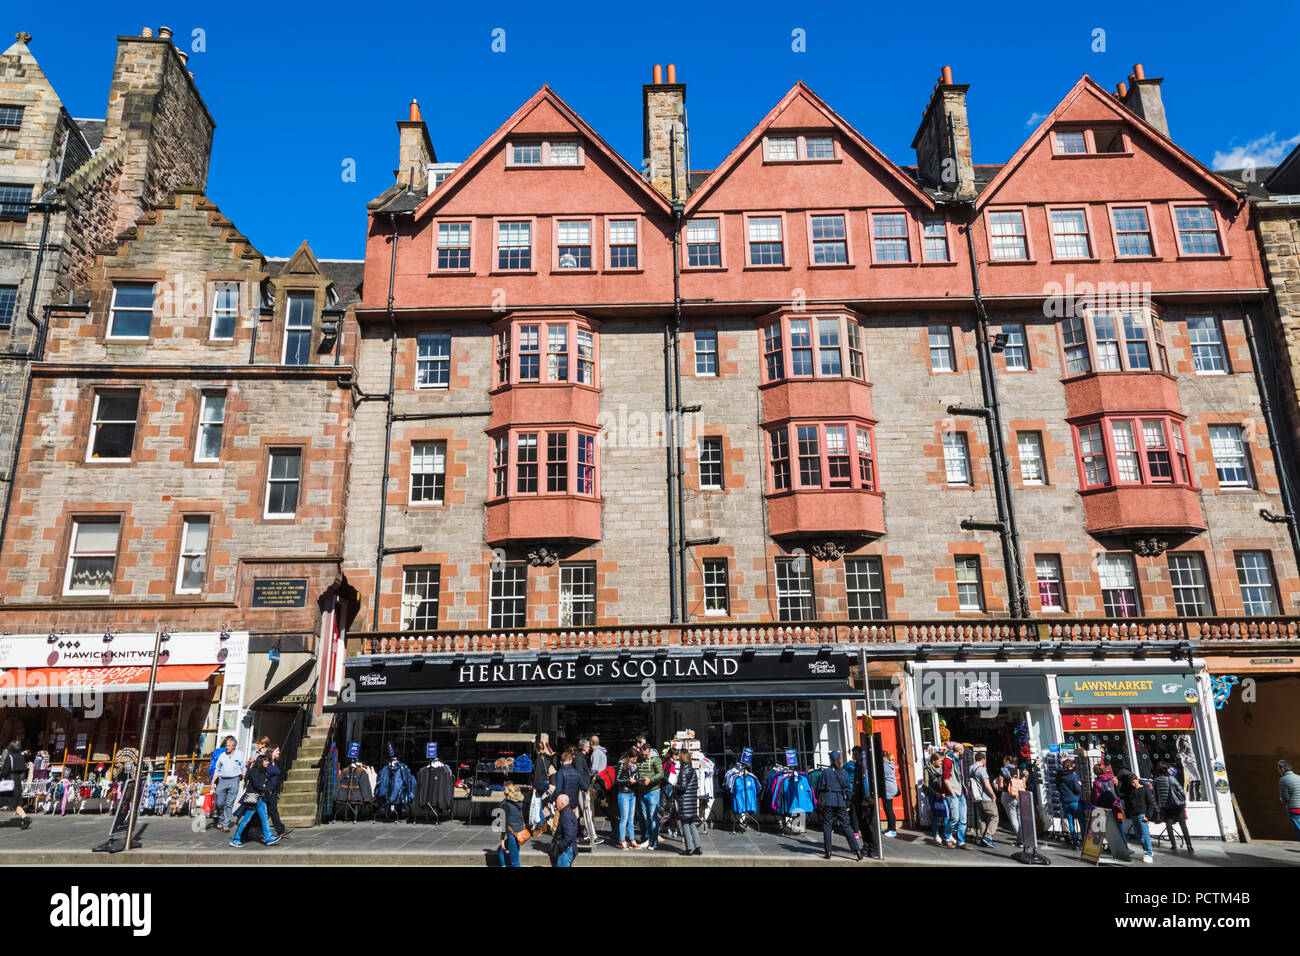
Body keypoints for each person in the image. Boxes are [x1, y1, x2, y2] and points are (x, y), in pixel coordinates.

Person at [815, 750, 863, 861]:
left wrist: (819, 800)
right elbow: (848, 790)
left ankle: (828, 852)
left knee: (827, 825)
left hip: (828, 801)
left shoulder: (826, 772)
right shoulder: (844, 773)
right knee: (846, 826)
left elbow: (819, 787)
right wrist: (848, 803)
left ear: (831, 760)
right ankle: (857, 851)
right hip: (841, 801)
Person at [230, 754, 281, 848]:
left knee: (264, 818)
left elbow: (268, 782)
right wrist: (267, 790)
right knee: (246, 820)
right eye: (265, 761)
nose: (267, 762)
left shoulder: (264, 771)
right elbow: (256, 784)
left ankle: (269, 838)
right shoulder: (255, 771)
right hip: (253, 799)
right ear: (260, 761)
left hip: (261, 798)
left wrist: (269, 789)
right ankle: (235, 839)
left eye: (268, 761)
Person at [1152, 760, 1192, 854]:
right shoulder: (1171, 778)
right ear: (1165, 769)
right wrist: (1183, 800)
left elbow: (1155, 794)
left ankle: (1173, 845)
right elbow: (1181, 791)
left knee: (1168, 824)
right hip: (1177, 805)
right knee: (1183, 825)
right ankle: (1189, 845)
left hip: (1166, 806)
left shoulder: (1156, 781)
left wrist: (1158, 805)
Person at [845, 746, 877, 857]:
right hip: (858, 799)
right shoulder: (857, 766)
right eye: (853, 754)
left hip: (867, 800)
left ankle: (874, 848)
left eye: (856, 754)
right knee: (863, 825)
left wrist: (868, 799)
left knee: (870, 825)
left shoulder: (866, 766)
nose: (854, 756)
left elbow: (869, 784)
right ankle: (866, 845)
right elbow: (856, 783)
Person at [1118, 770, 1156, 863]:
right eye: (1131, 783)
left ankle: (1149, 853)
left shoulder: (1145, 789)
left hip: (1142, 814)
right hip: (1134, 814)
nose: (1133, 784)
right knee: (1138, 834)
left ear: (1137, 780)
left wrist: (1148, 816)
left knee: (1145, 834)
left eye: (1133, 782)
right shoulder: (1131, 790)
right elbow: (1125, 798)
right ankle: (1146, 849)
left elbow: (1151, 803)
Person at [634, 740, 664, 850]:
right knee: (643, 817)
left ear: (649, 751)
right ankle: (646, 838)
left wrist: (650, 780)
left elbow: (661, 774)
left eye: (646, 754)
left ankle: (654, 840)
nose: (644, 756)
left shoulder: (655, 759)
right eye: (642, 754)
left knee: (652, 817)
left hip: (653, 791)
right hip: (642, 790)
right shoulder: (639, 759)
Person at [210, 736, 245, 831]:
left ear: (234, 746)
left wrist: (244, 781)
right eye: (226, 745)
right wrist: (213, 782)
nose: (227, 747)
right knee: (219, 803)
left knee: (229, 803)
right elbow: (217, 770)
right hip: (222, 780)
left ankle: (226, 823)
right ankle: (221, 819)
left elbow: (243, 769)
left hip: (234, 780)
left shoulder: (240, 755)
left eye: (229, 746)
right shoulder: (222, 755)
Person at [968, 749, 998, 848]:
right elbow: (987, 784)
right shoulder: (981, 769)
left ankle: (982, 838)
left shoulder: (970, 768)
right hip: (986, 797)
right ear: (983, 760)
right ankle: (988, 837)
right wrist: (993, 794)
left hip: (977, 797)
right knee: (994, 817)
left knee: (983, 818)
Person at [942, 743, 970, 850]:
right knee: (954, 818)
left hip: (961, 793)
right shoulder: (948, 760)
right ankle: (946, 837)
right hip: (953, 793)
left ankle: (961, 841)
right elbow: (945, 778)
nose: (964, 753)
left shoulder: (959, 761)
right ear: (960, 751)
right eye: (963, 751)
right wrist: (952, 793)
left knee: (963, 820)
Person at [677, 754, 703, 857]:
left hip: (685, 801)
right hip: (691, 801)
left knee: (685, 824)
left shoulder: (684, 770)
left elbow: (682, 787)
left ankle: (689, 849)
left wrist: (675, 786)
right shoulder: (692, 770)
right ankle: (698, 847)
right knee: (692, 824)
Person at [1, 740, 31, 830]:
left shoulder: (9, 758)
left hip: (9, 782)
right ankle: (25, 819)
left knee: (3, 800)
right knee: (16, 803)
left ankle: (26, 819)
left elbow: (4, 771)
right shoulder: (21, 758)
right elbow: (23, 769)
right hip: (17, 782)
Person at [496, 782, 526, 868]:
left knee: (515, 861)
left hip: (512, 833)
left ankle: (504, 865)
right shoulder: (518, 802)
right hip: (519, 833)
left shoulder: (506, 804)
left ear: (505, 792)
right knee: (502, 850)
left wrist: (502, 839)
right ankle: (503, 865)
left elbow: (503, 823)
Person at [1057, 757, 1083, 850]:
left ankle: (1075, 843)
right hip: (1074, 800)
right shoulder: (1073, 776)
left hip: (1065, 801)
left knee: (1071, 823)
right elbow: (1077, 789)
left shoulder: (1058, 776)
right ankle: (1083, 842)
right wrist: (1080, 785)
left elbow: (1058, 788)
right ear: (1071, 767)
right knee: (1081, 822)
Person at [262, 745, 288, 839]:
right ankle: (280, 830)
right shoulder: (267, 762)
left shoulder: (274, 763)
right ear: (271, 752)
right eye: (277, 750)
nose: (279, 752)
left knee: (271, 811)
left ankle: (280, 830)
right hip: (268, 791)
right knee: (271, 811)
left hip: (273, 790)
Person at [924, 751, 948, 844]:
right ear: (934, 761)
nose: (941, 763)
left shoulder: (942, 769)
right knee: (936, 815)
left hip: (943, 794)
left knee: (946, 814)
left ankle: (947, 835)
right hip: (933, 795)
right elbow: (926, 784)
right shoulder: (927, 769)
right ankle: (936, 834)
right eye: (940, 761)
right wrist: (935, 793)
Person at [529, 740, 553, 827]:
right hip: (546, 781)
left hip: (539, 782)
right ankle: (541, 822)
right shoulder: (547, 757)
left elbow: (537, 773)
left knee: (537, 803)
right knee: (539, 802)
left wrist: (534, 786)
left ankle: (541, 822)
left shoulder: (539, 758)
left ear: (537, 749)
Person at [552, 793, 579, 867]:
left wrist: (560, 846)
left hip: (566, 851)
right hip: (568, 849)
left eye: (557, 802)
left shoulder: (565, 815)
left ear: (562, 803)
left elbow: (569, 835)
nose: (555, 804)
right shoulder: (568, 812)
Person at [1278, 760, 1300, 843]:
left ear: (1282, 769)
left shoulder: (1283, 780)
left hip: (1294, 809)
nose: (1279, 771)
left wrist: (1282, 800)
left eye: (1279, 769)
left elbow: (1285, 798)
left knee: (1298, 828)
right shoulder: (1299, 777)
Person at [880, 750, 900, 837]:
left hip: (888, 789)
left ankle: (893, 830)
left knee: (889, 809)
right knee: (887, 808)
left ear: (883, 757)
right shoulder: (889, 763)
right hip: (891, 787)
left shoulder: (885, 765)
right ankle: (890, 828)